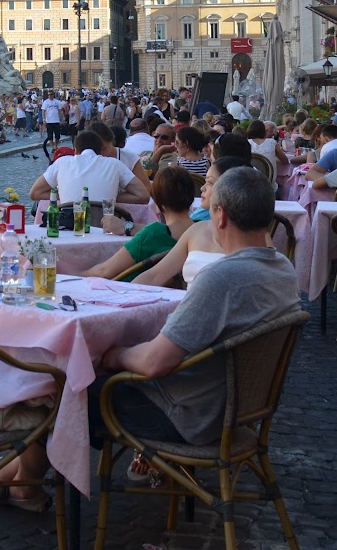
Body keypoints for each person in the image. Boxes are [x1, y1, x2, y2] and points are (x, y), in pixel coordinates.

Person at [93, 168, 299, 448]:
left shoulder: (220, 278)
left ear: (221, 216)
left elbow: (153, 363)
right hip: (239, 409)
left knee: (68, 386)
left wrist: (114, 356)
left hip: (187, 416)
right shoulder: (285, 270)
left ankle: (25, 482)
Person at [83, 166, 197, 280]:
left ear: (158, 204)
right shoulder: (203, 232)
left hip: (129, 292)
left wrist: (75, 274)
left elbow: (103, 272)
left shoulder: (154, 233)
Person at [28, 130, 149, 214]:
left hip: (69, 226)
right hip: (104, 226)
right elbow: (143, 195)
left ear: (75, 150)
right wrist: (110, 197)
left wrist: (66, 197)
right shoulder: (114, 164)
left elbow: (35, 193)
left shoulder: (62, 162)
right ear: (101, 151)